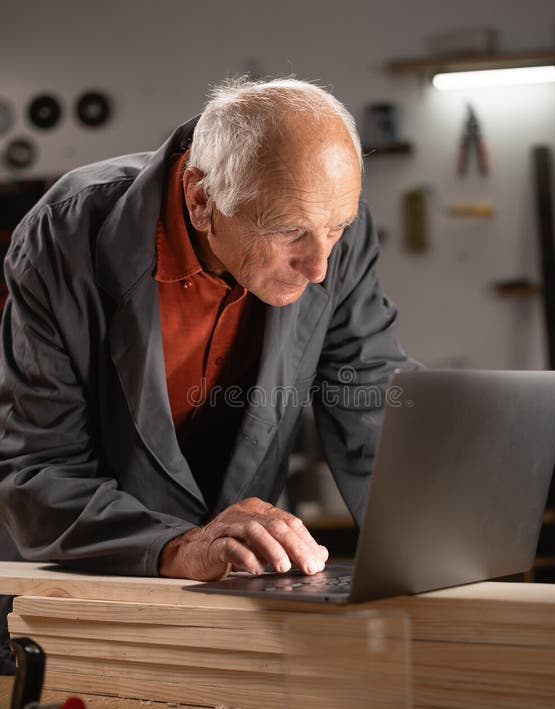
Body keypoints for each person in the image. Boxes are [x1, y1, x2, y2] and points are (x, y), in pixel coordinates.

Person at [0, 78, 416, 654]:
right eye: (289, 231)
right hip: (84, 595)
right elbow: (38, 472)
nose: (319, 265)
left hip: (237, 592)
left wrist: (432, 553)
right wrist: (178, 545)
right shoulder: (65, 234)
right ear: (200, 197)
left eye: (336, 229)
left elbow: (370, 402)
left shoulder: (329, 232)